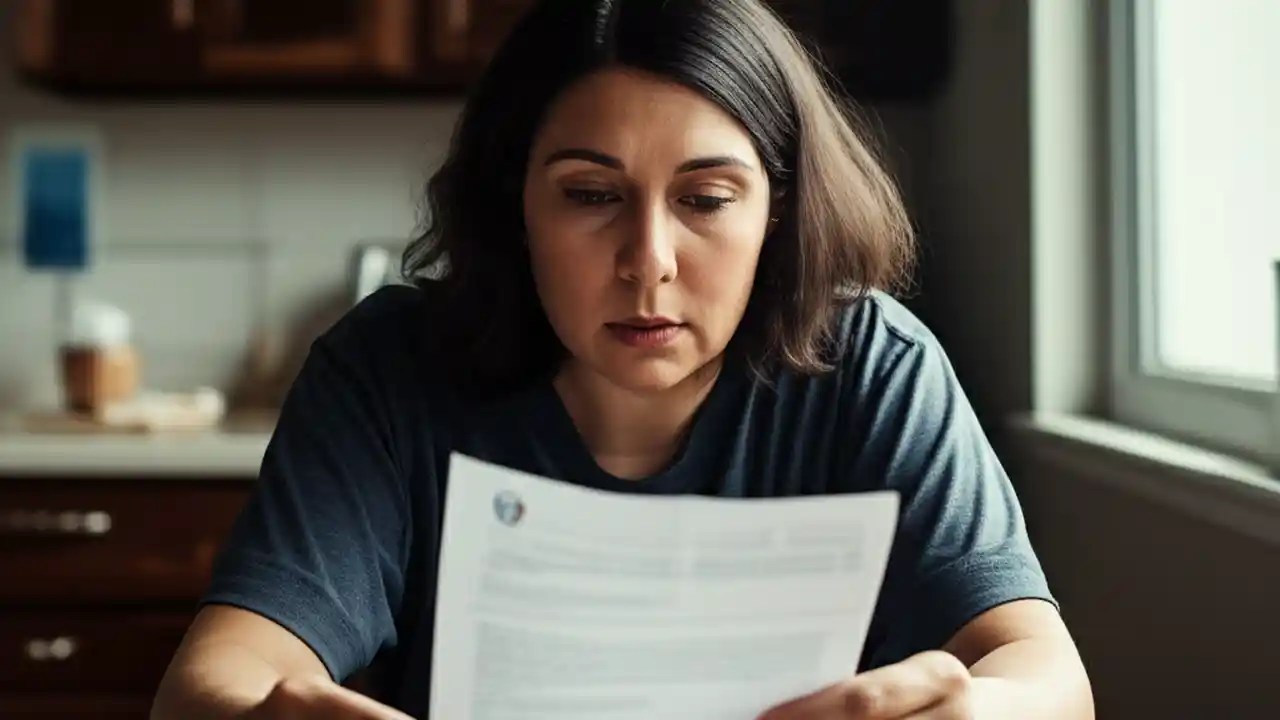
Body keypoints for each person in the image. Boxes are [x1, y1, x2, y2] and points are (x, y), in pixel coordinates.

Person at [152, 1, 1094, 718]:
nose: (649, 259)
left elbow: (1048, 673)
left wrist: (985, 706)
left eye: (708, 198)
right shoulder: (390, 367)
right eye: (591, 194)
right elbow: (212, 677)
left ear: (780, 209)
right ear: (515, 204)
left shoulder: (876, 368)